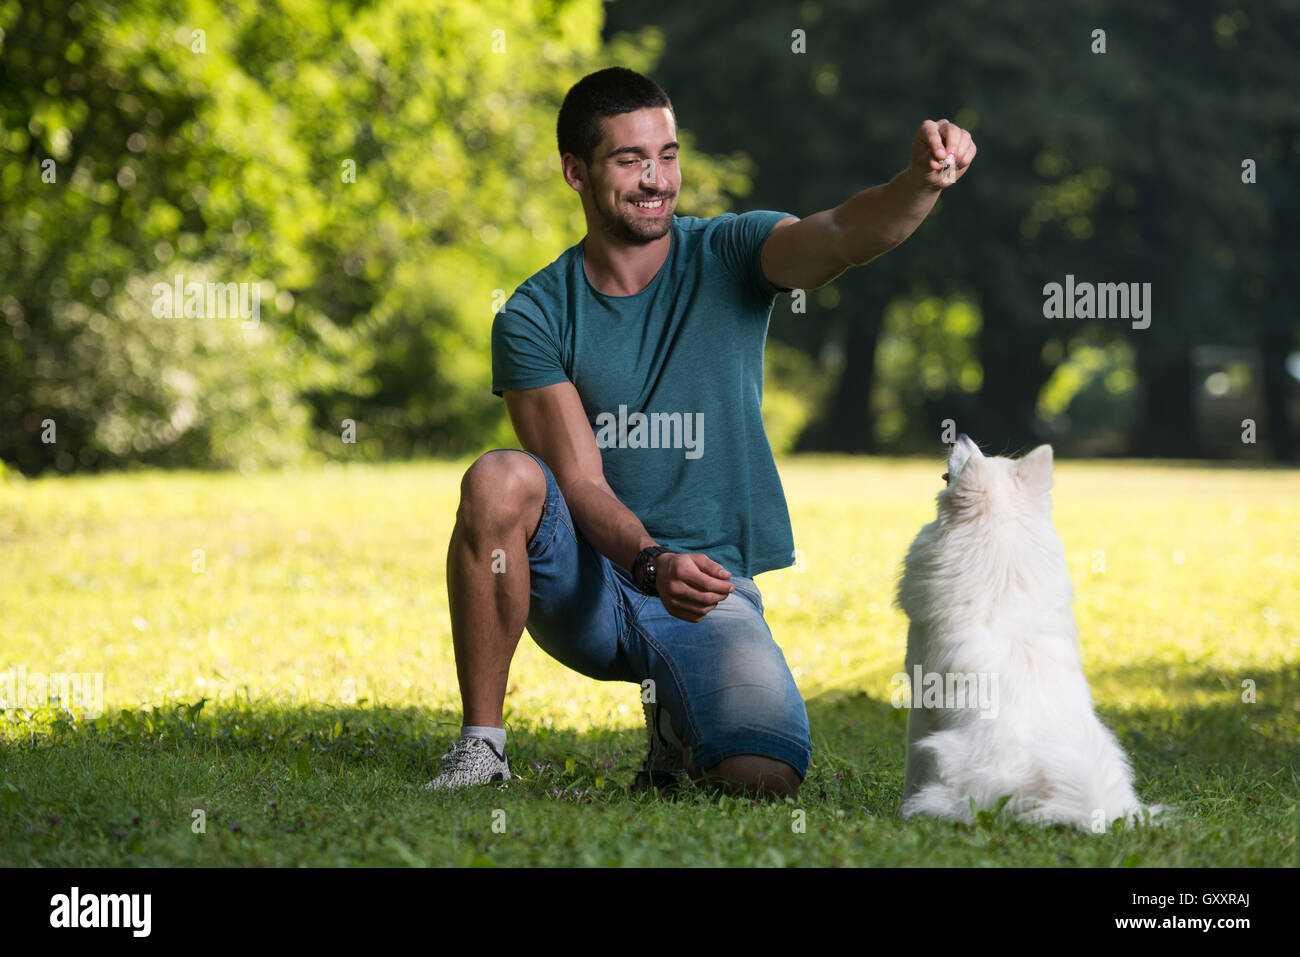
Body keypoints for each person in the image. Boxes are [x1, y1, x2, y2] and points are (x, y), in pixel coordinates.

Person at [427, 66, 975, 798]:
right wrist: (650, 562)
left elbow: (845, 233)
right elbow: (579, 480)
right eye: (630, 159)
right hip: (589, 582)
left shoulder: (732, 254)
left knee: (762, 777)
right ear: (575, 173)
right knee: (499, 477)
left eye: (669, 154)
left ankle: (675, 722)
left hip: (709, 585)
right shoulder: (533, 313)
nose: (656, 178)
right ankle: (482, 746)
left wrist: (918, 183)